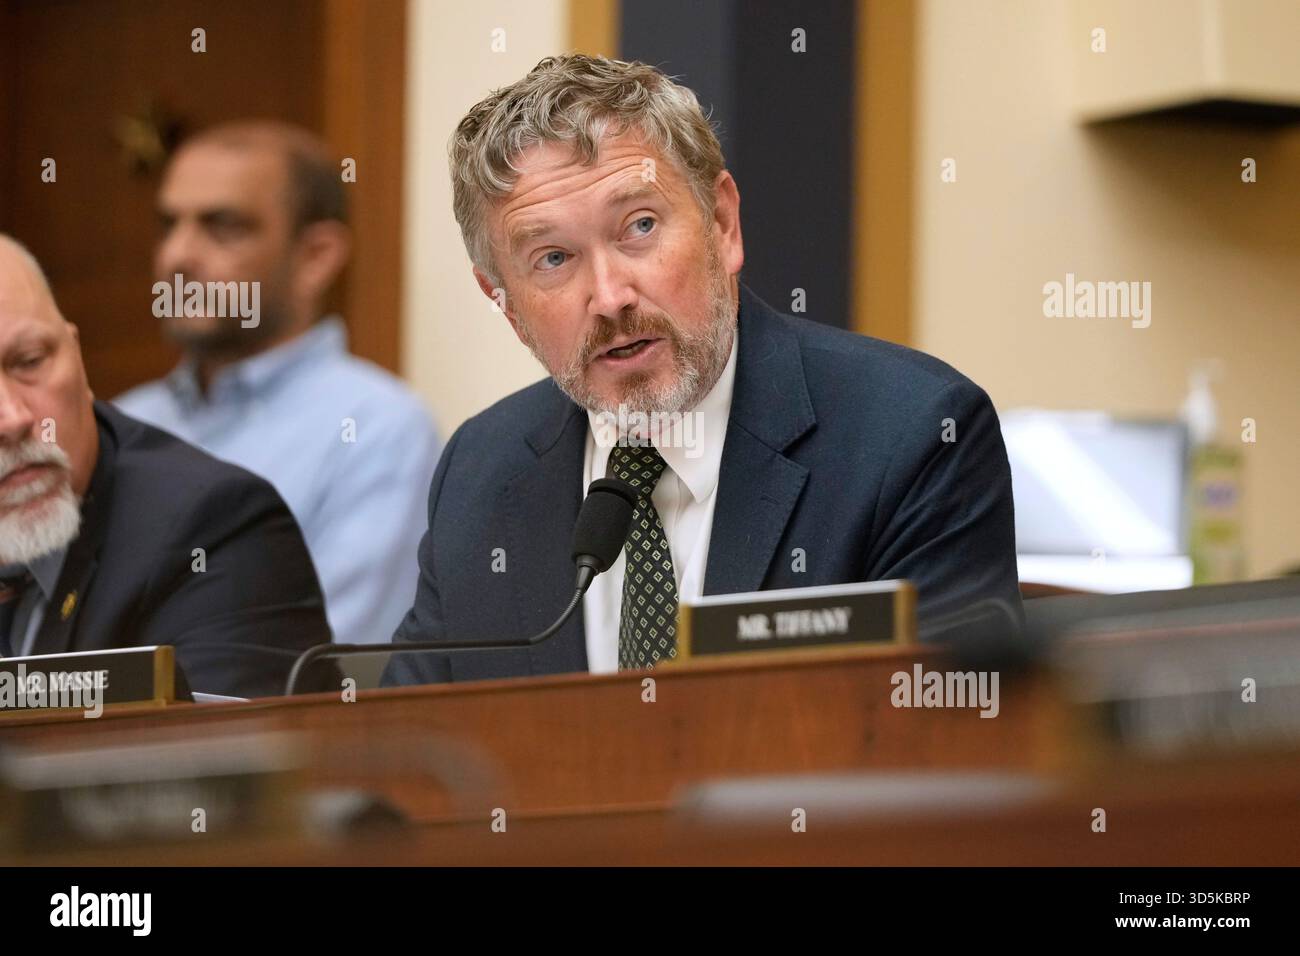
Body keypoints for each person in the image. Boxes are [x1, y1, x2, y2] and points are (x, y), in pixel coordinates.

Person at [386, 55, 1021, 686]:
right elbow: (412, 752)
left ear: (722, 224)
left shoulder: (912, 435)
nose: (610, 297)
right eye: (553, 258)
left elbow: (949, 743)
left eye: (639, 226)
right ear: (505, 302)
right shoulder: (480, 470)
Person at [115, 121, 441, 651]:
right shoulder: (123, 422)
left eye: (222, 226)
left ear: (316, 257)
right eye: (168, 225)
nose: (177, 256)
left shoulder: (377, 428)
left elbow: (310, 662)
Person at [0, 234, 332, 697]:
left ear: (76, 356)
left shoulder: (216, 531)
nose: (13, 418)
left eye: (30, 361)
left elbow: (219, 765)